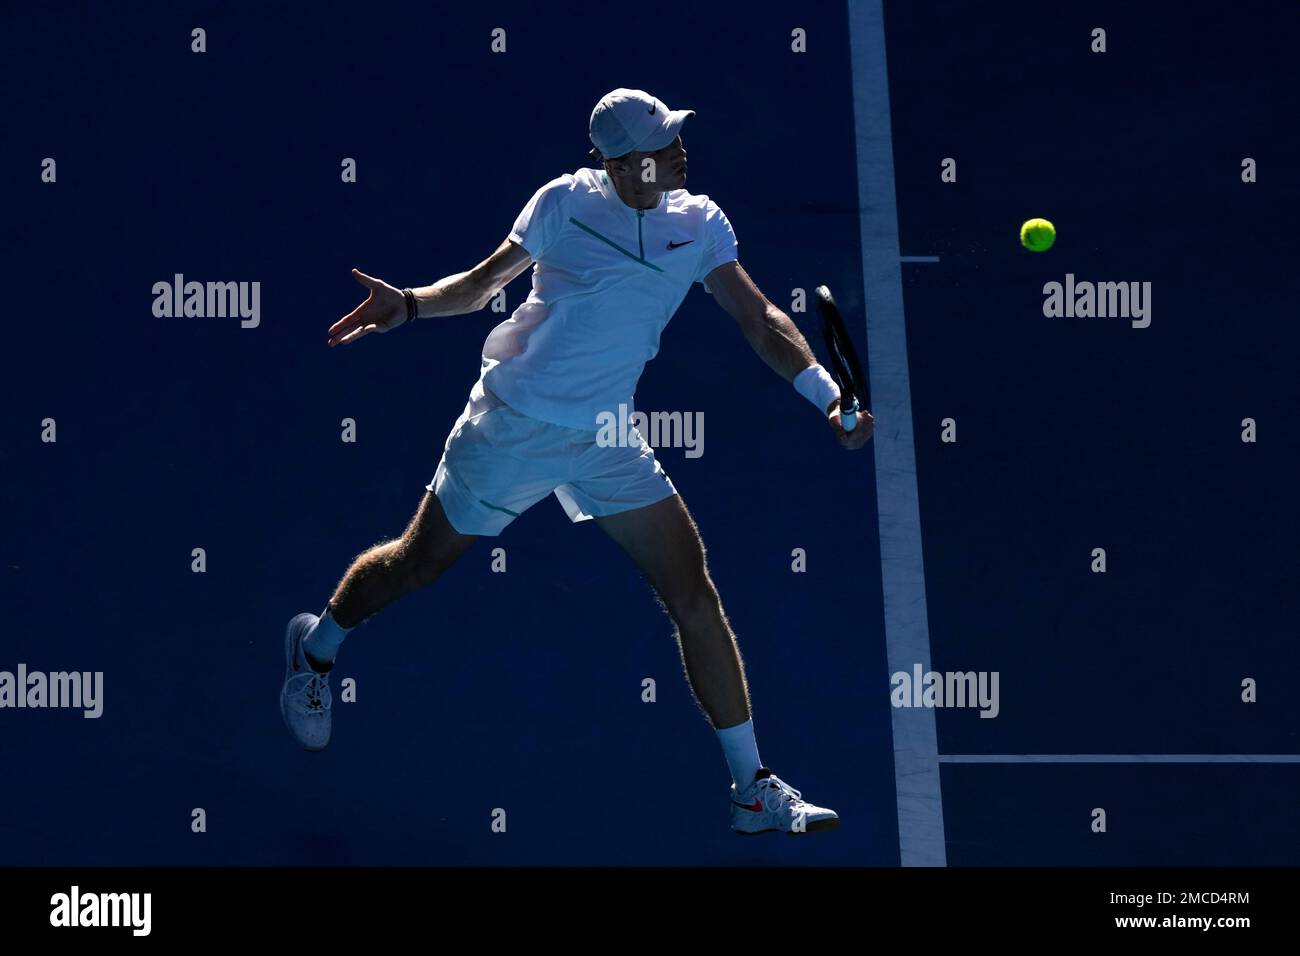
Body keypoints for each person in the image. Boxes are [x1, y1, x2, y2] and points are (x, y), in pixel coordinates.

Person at [280, 88, 873, 835]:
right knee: (415, 564)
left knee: (691, 587)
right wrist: (409, 303)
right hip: (512, 429)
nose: (682, 151)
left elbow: (761, 318)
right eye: (664, 147)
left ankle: (751, 788)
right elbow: (483, 283)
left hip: (606, 437)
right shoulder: (565, 203)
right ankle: (316, 650)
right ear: (623, 166)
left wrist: (825, 396)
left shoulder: (699, 221)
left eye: (677, 137)